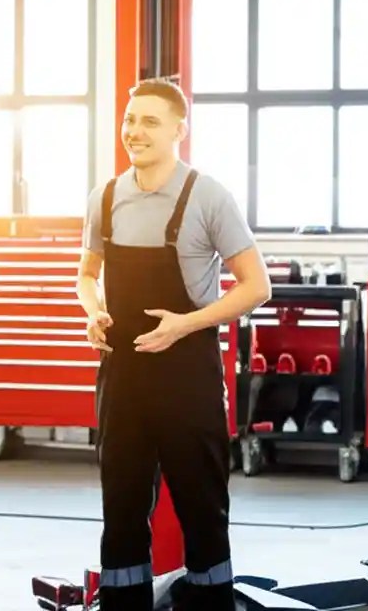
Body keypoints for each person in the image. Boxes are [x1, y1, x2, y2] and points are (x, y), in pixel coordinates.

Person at [77, 77, 271, 610]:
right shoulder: (106, 197)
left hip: (188, 376)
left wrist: (184, 324)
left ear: (178, 131)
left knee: (201, 505)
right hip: (124, 379)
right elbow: (86, 274)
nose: (134, 131)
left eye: (150, 122)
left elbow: (257, 286)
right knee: (121, 505)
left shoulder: (207, 196)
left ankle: (211, 603)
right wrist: (94, 312)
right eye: (129, 119)